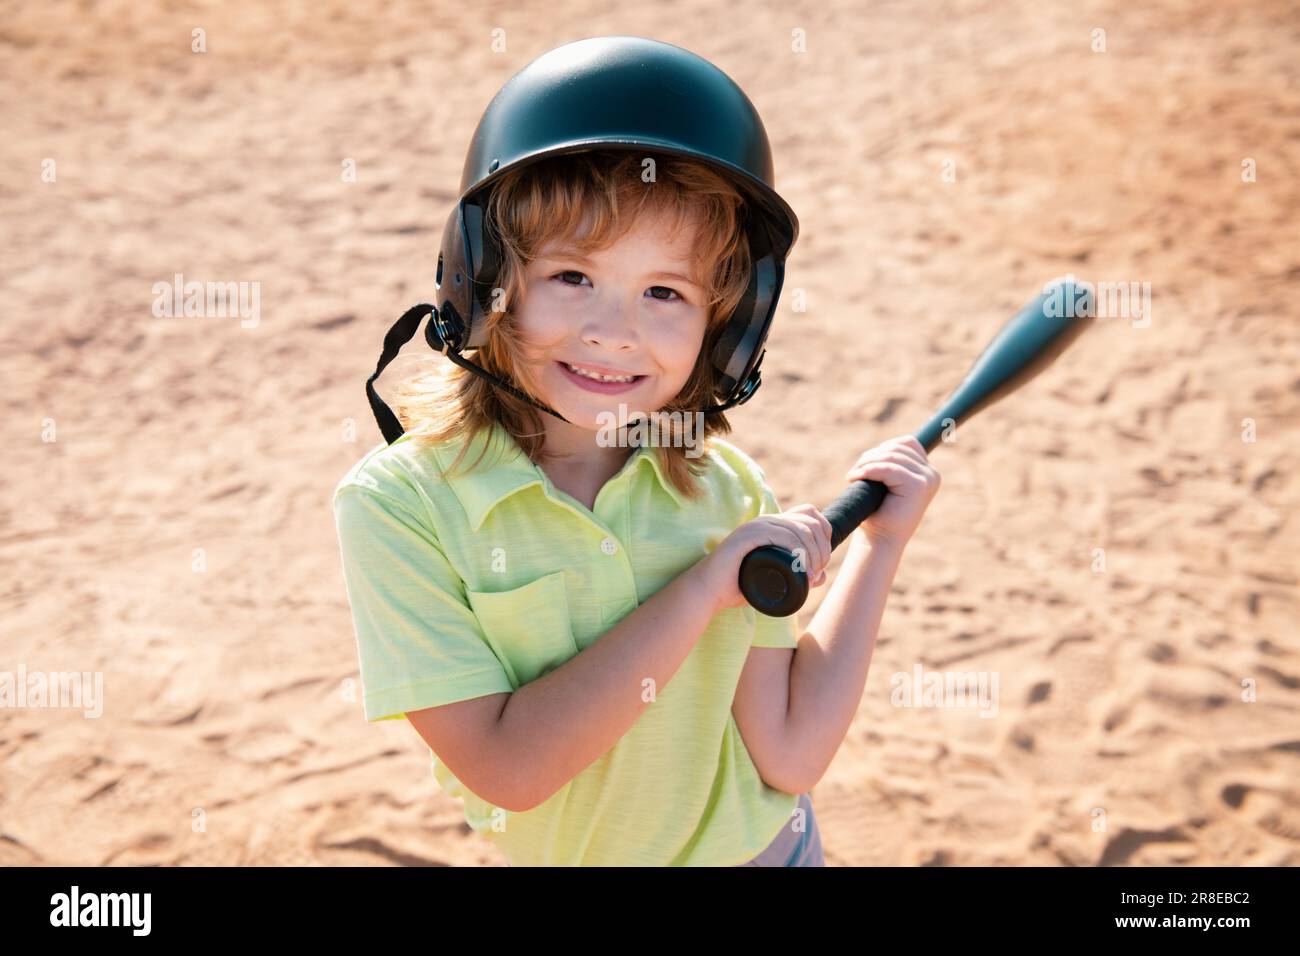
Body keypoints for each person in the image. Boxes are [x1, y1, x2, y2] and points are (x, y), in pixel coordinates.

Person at [332, 36, 940, 866]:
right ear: (483, 284)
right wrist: (701, 592)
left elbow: (791, 753)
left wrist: (881, 545)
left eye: (665, 292)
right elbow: (510, 769)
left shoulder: (722, 486)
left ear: (726, 332)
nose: (612, 333)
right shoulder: (402, 506)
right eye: (571, 278)